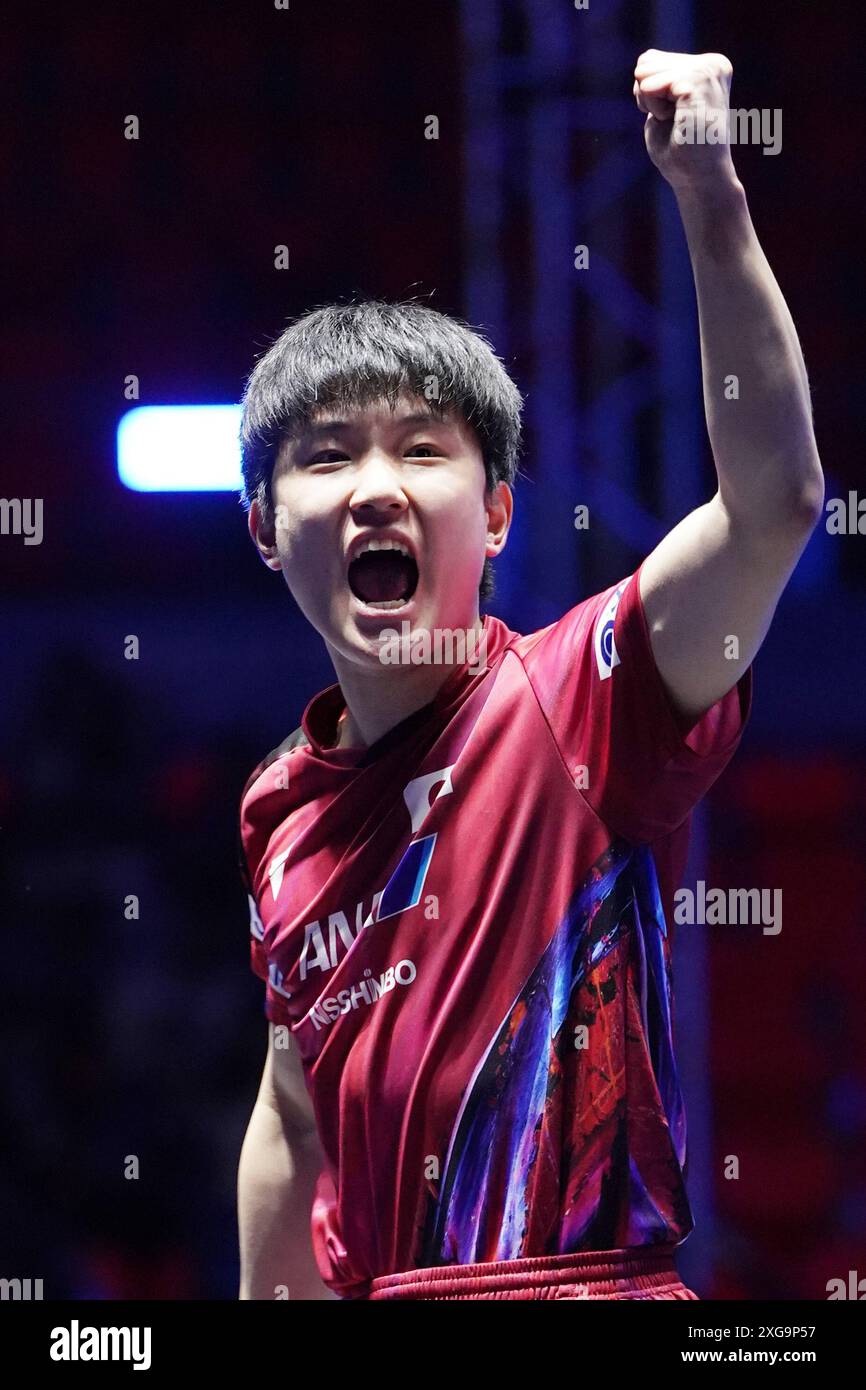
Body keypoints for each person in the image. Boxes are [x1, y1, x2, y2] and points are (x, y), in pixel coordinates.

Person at [235, 49, 823, 1301]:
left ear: (496, 515)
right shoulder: (277, 814)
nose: (374, 487)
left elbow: (771, 503)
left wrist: (708, 191)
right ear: (265, 529)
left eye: (421, 450)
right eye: (325, 458)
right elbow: (291, 1108)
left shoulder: (582, 694)